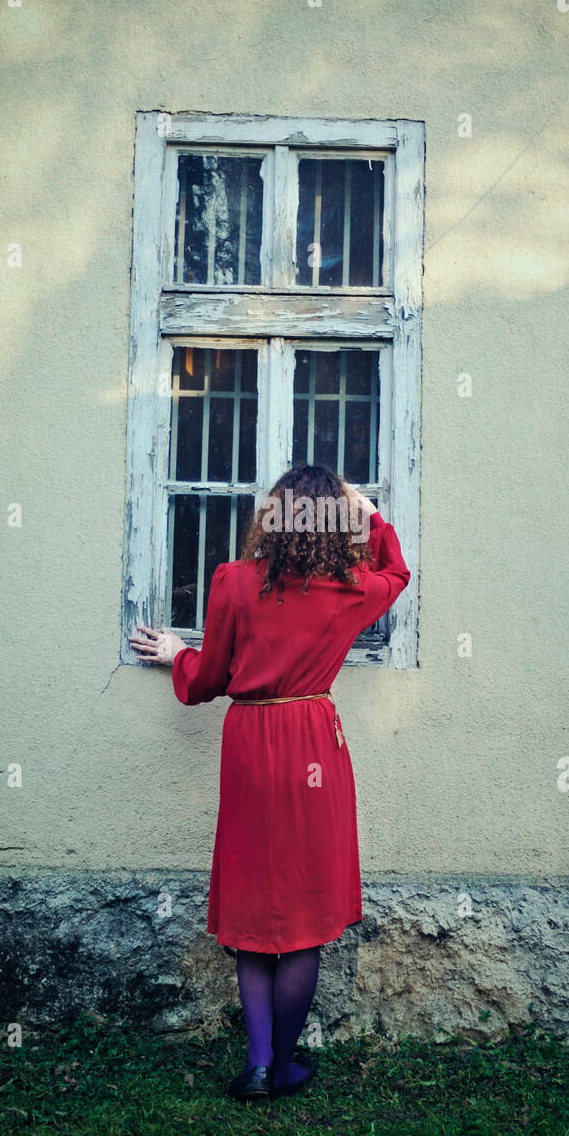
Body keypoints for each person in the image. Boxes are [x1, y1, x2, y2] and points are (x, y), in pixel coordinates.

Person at [129, 464, 411, 1102]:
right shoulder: (350, 589)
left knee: (256, 908)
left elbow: (209, 681)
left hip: (252, 745)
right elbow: (397, 574)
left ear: (272, 518)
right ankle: (283, 1064)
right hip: (312, 740)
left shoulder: (233, 582)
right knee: (304, 915)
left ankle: (258, 1065)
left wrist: (179, 655)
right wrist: (371, 517)